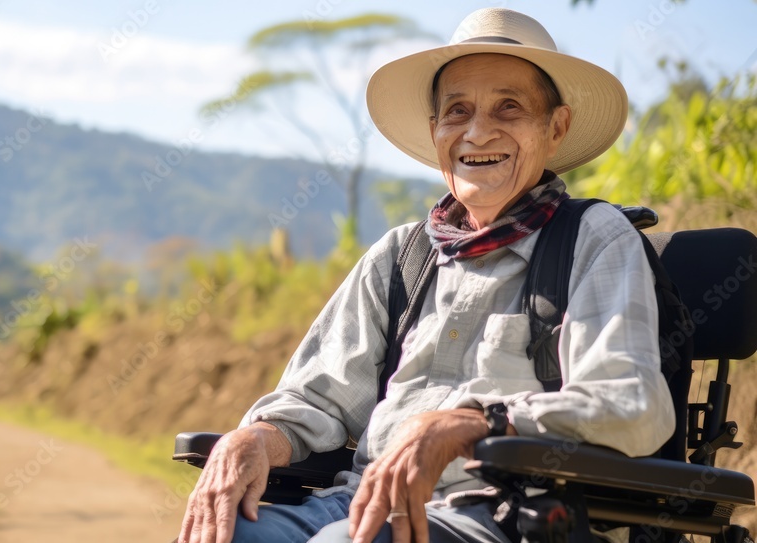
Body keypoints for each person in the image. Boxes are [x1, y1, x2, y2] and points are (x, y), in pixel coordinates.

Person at [178, 7, 675, 543]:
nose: (478, 131)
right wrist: (254, 437)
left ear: (555, 128)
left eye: (509, 107)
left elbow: (632, 403)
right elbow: (314, 400)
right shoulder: (402, 255)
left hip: (501, 515)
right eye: (456, 111)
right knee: (224, 534)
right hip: (359, 500)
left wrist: (478, 421)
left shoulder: (592, 238)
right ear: (435, 130)